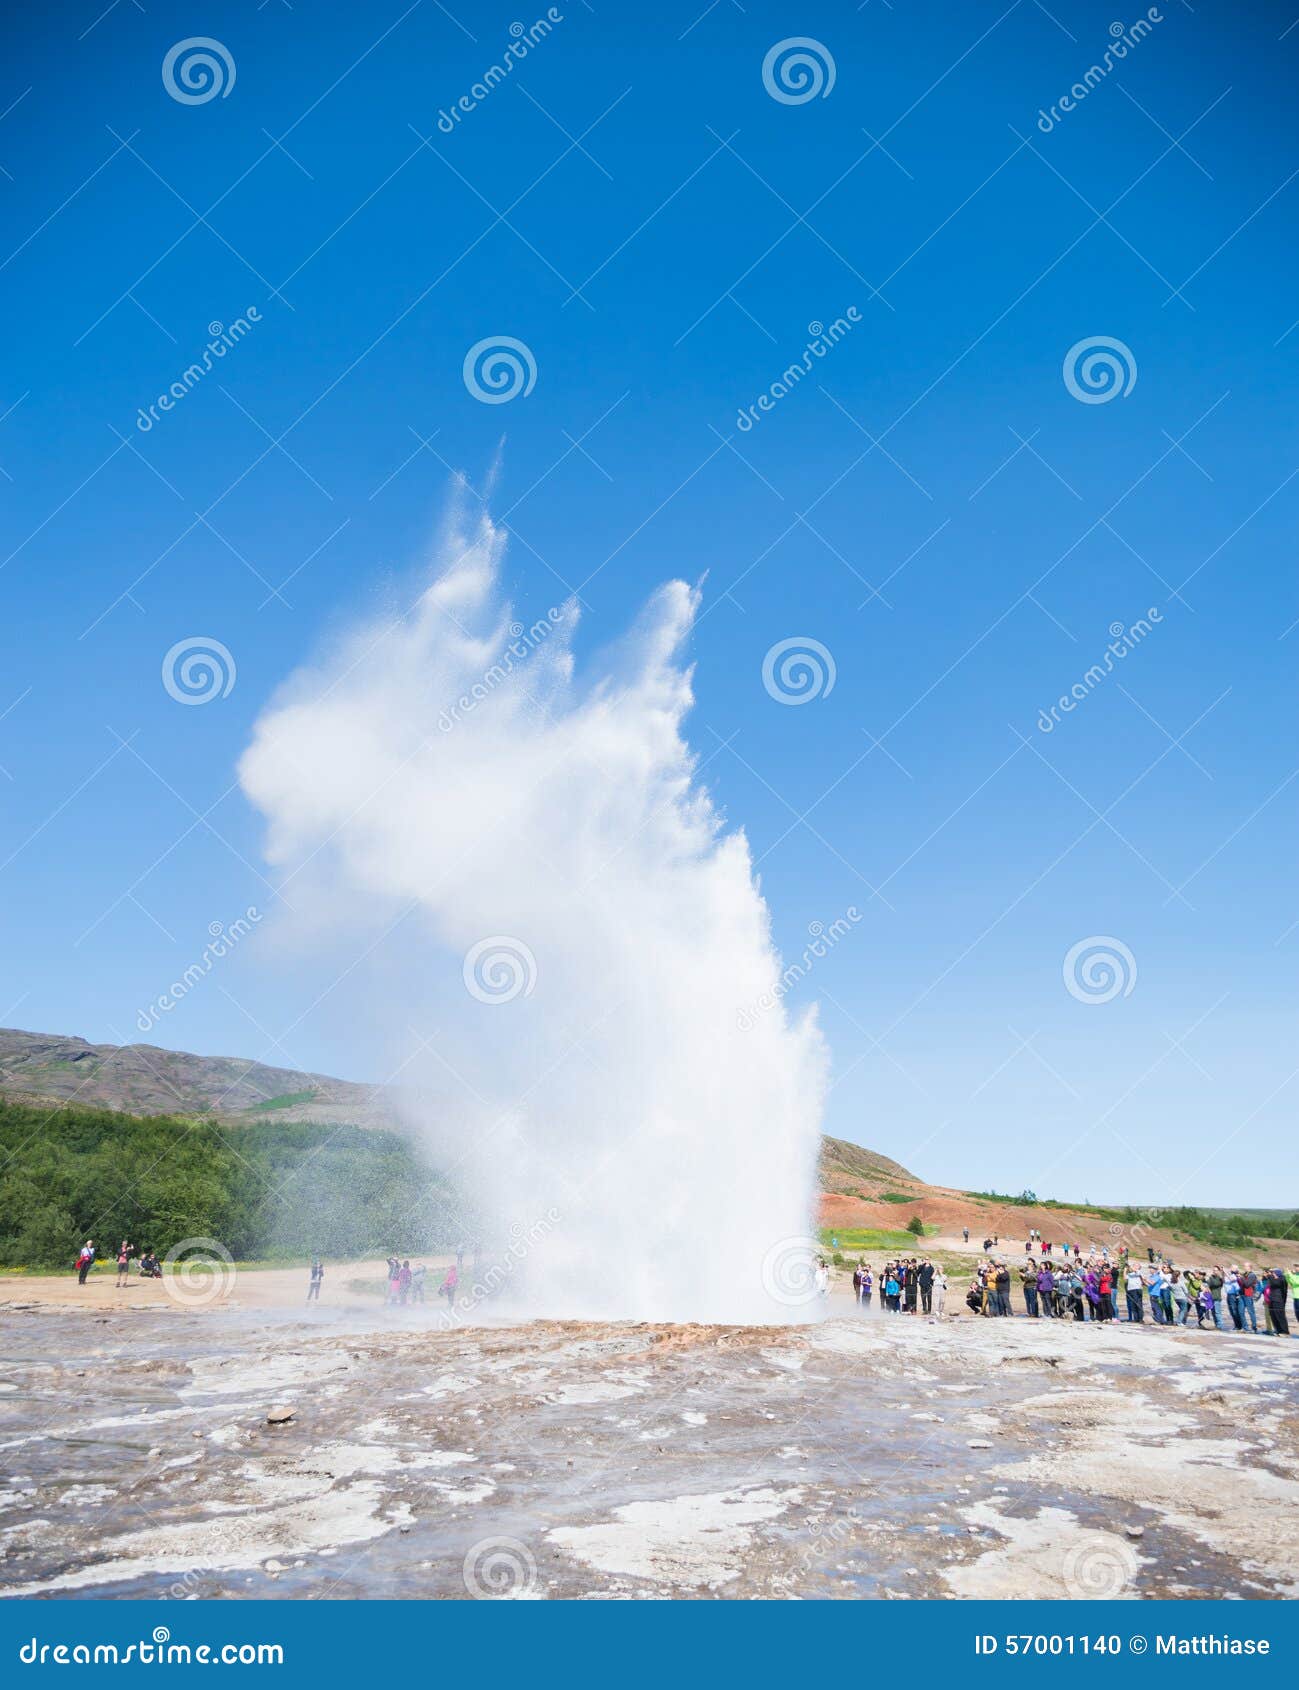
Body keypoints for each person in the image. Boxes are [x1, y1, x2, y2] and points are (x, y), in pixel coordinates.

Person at [1265, 1265, 1289, 1336]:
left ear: (1278, 1273)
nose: (1273, 1274)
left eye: (1274, 1273)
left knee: (1280, 1316)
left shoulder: (1282, 1279)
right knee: (1273, 1316)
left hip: (1278, 1300)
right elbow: (1270, 1283)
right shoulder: (1274, 1279)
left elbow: (1275, 1283)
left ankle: (1285, 1332)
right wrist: (1268, 1276)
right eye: (1272, 1273)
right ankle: (1278, 1330)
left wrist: (1269, 1276)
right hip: (1272, 1299)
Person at [1238, 1264, 1259, 1333]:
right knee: (1241, 1311)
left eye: (1246, 1266)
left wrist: (1241, 1277)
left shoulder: (1252, 1275)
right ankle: (1245, 1327)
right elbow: (1241, 1284)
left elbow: (1247, 1284)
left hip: (1248, 1295)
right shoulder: (1244, 1274)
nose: (1244, 1267)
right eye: (1244, 1266)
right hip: (1242, 1295)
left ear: (1250, 1267)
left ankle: (1254, 1327)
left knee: (1251, 1311)